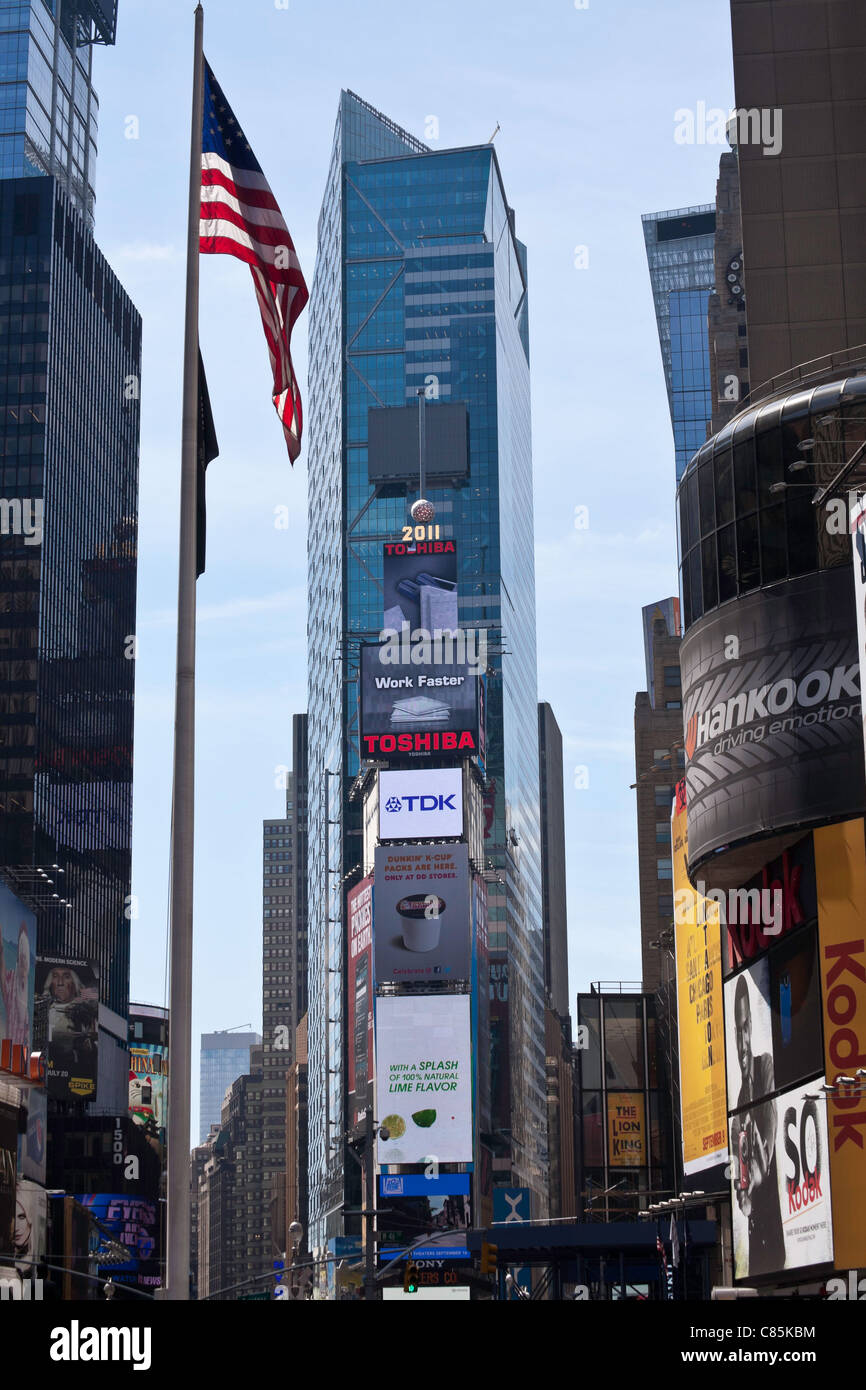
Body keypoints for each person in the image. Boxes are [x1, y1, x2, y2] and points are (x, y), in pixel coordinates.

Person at [730, 973, 785, 1276]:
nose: (742, 1041)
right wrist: (741, 1191)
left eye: (745, 1027)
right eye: (737, 1032)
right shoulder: (737, 1103)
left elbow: (771, 1134)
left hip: (775, 1233)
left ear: (751, 1025)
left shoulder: (765, 1066)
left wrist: (752, 1175)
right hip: (754, 1249)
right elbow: (739, 1175)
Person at [1, 923, 31, 1048]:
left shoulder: (24, 999)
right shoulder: (12, 981)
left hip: (19, 1053)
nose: (24, 963)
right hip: (10, 1046)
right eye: (22, 957)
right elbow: (2, 969)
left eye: (26, 959)